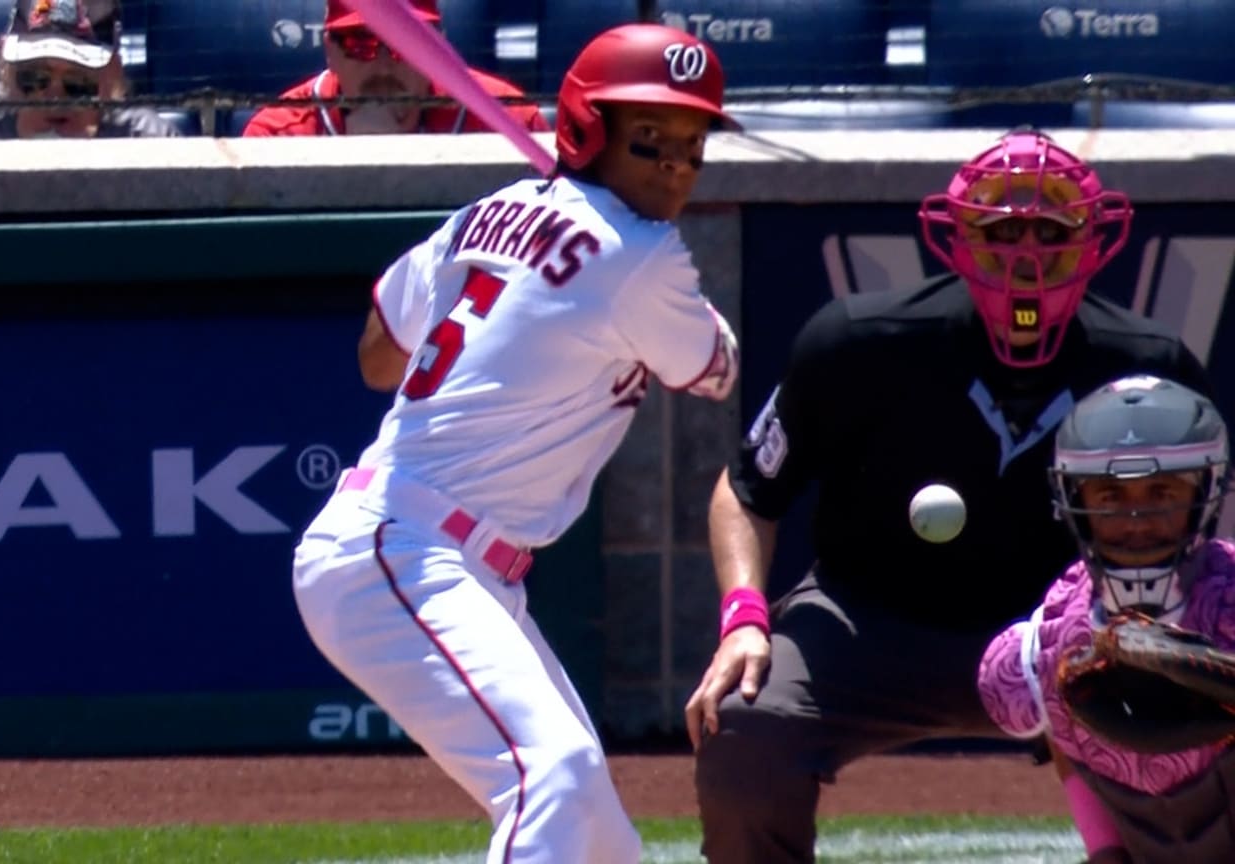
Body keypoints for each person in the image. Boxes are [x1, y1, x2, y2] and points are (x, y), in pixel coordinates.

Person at [683, 129, 1216, 864]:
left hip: (1067, 636)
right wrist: (743, 620)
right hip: (866, 622)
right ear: (958, 237)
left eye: (1049, 230)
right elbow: (746, 490)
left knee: (1201, 715)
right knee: (747, 722)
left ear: (1091, 239)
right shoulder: (857, 342)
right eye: (1000, 230)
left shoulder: (1147, 367)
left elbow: (1207, 519)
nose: (1024, 253)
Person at [293, 23, 738, 863]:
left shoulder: (481, 216)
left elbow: (377, 356)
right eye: (649, 142)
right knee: (555, 777)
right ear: (587, 131)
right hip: (404, 547)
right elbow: (712, 371)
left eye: (692, 143)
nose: (675, 165)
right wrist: (659, 302)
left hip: (435, 556)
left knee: (594, 825)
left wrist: (518, 246)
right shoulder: (644, 253)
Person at [978, 374, 1233, 864]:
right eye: (1111, 497)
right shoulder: (1053, 638)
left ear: (1206, 491)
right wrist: (1104, 851)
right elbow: (1050, 721)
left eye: (1162, 492)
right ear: (1075, 502)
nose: (1137, 519)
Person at [242, 0, 549, 137]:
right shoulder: (279, 134)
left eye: (407, 43)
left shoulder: (506, 121)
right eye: (361, 44)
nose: (384, 65)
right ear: (330, 51)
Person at [0, 0, 179, 140]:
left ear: (112, 79)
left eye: (78, 82)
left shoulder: (149, 142)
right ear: (6, 72)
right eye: (34, 78)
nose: (54, 97)